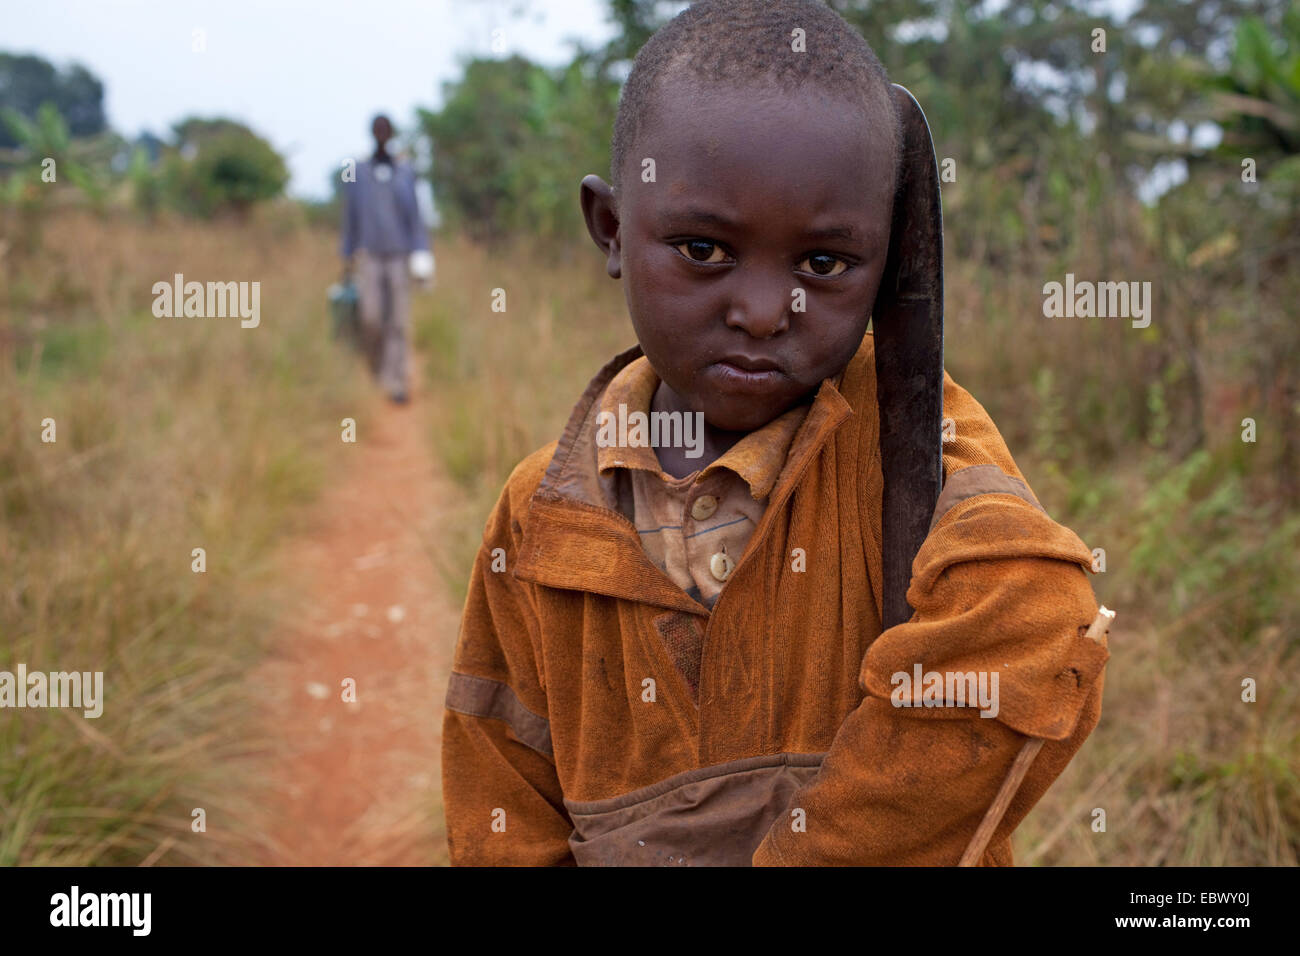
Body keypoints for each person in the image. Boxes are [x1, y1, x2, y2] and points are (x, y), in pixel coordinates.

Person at [440, 0, 1109, 866]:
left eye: (823, 265)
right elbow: (499, 779)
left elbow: (1032, 634)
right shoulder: (543, 515)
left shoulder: (913, 442)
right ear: (610, 229)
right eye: (703, 250)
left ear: (885, 260)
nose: (763, 313)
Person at [340, 114, 430, 404]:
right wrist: (347, 254)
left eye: (385, 129)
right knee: (371, 318)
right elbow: (350, 215)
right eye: (377, 129)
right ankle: (377, 371)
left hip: (399, 255)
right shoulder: (359, 171)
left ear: (390, 134)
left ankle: (397, 382)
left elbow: (415, 215)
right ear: (372, 133)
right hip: (369, 255)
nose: (381, 133)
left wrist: (422, 254)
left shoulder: (404, 171)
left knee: (399, 321)